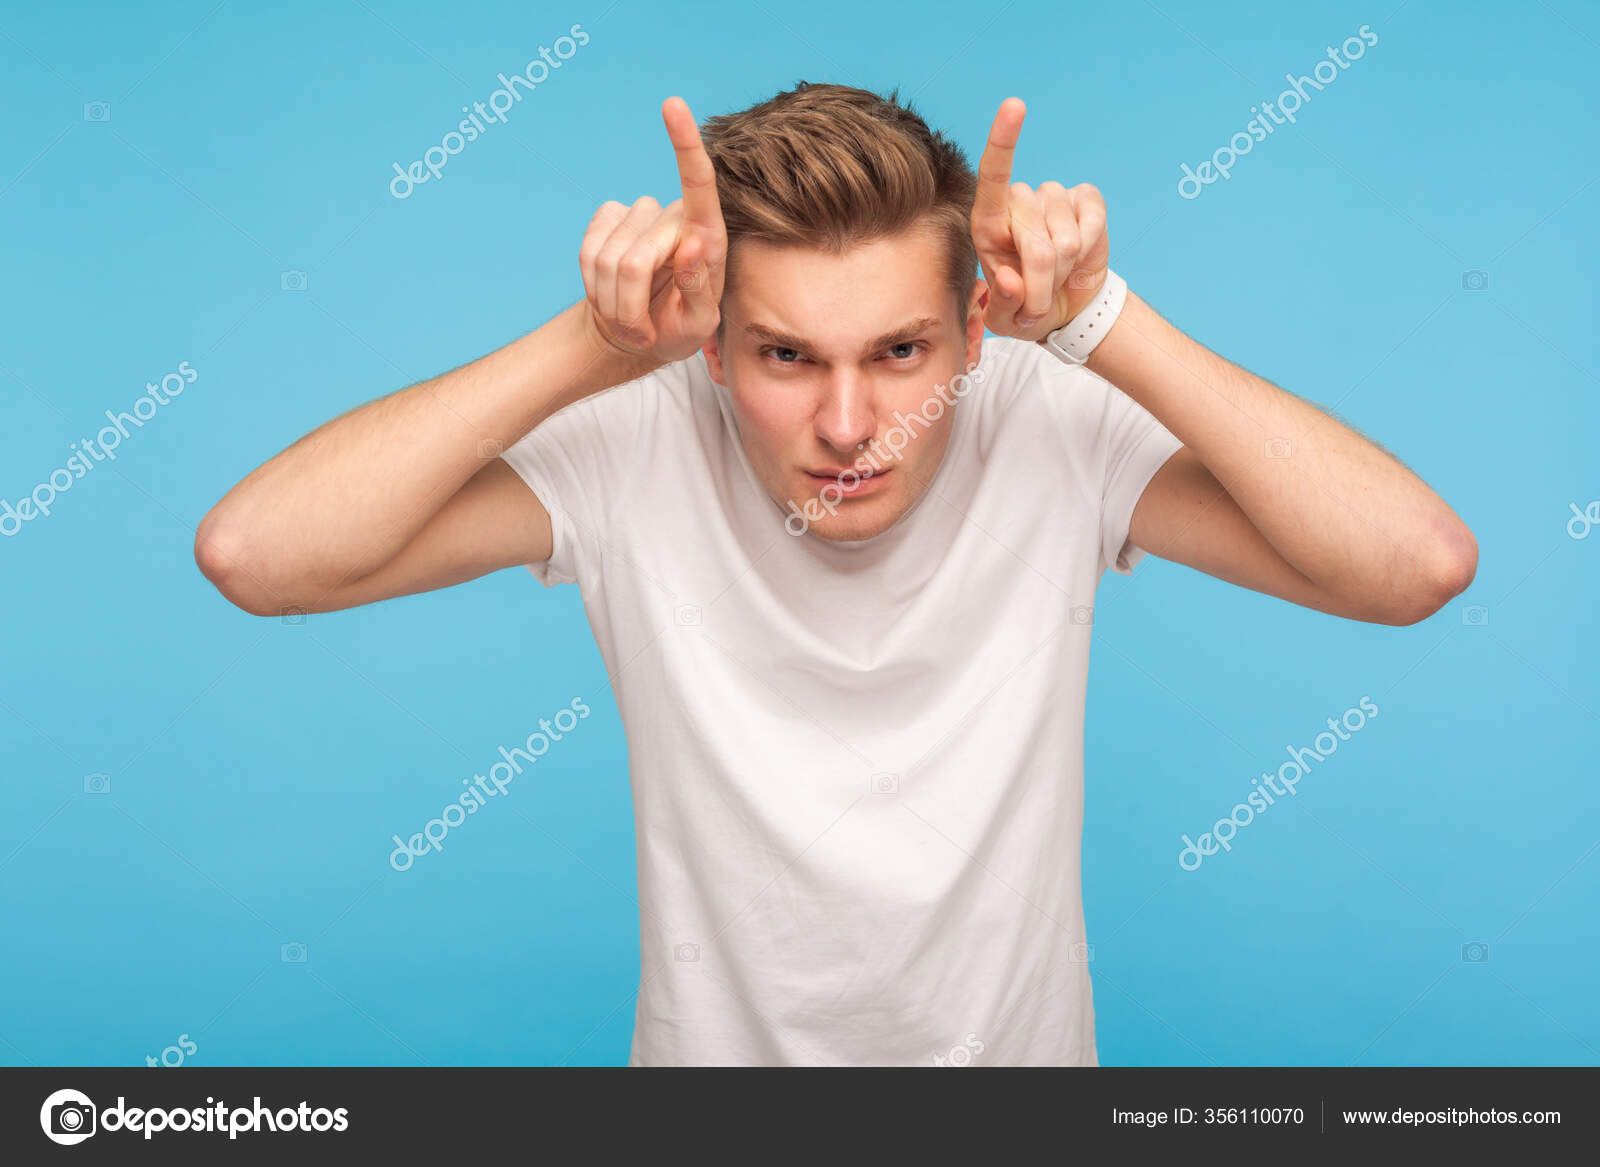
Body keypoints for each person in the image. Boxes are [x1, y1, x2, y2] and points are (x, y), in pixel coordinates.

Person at [194, 82, 1477, 1066]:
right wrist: (591, 346)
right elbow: (256, 555)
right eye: (786, 356)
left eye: (902, 352)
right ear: (710, 348)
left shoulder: (1049, 418)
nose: (851, 425)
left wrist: (1103, 323)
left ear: (976, 331)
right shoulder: (634, 433)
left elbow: (1414, 565)